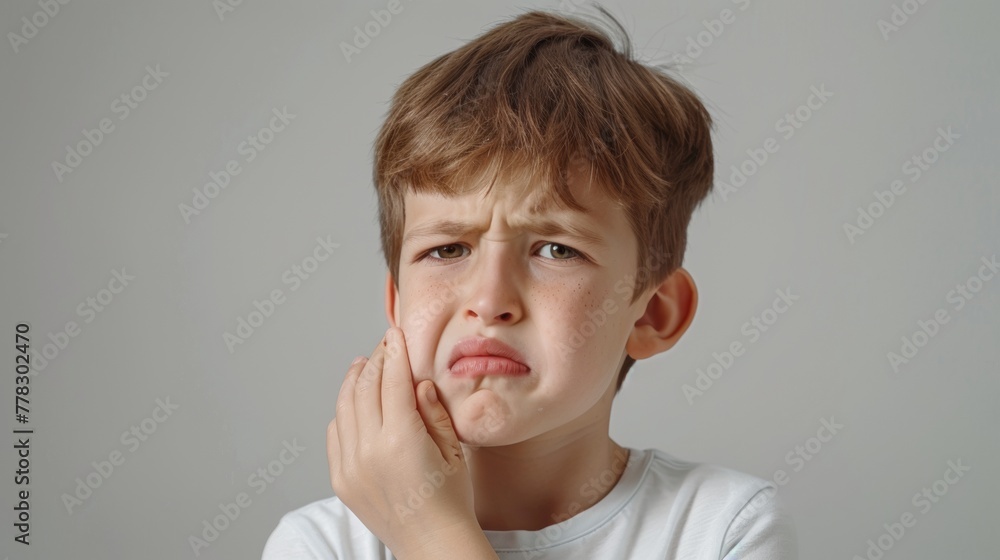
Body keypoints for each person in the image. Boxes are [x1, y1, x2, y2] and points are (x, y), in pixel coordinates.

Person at [263, 7, 797, 559]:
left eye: (556, 250)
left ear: (652, 312)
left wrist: (429, 534)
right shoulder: (319, 545)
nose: (489, 301)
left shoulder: (725, 528)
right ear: (397, 306)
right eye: (447, 250)